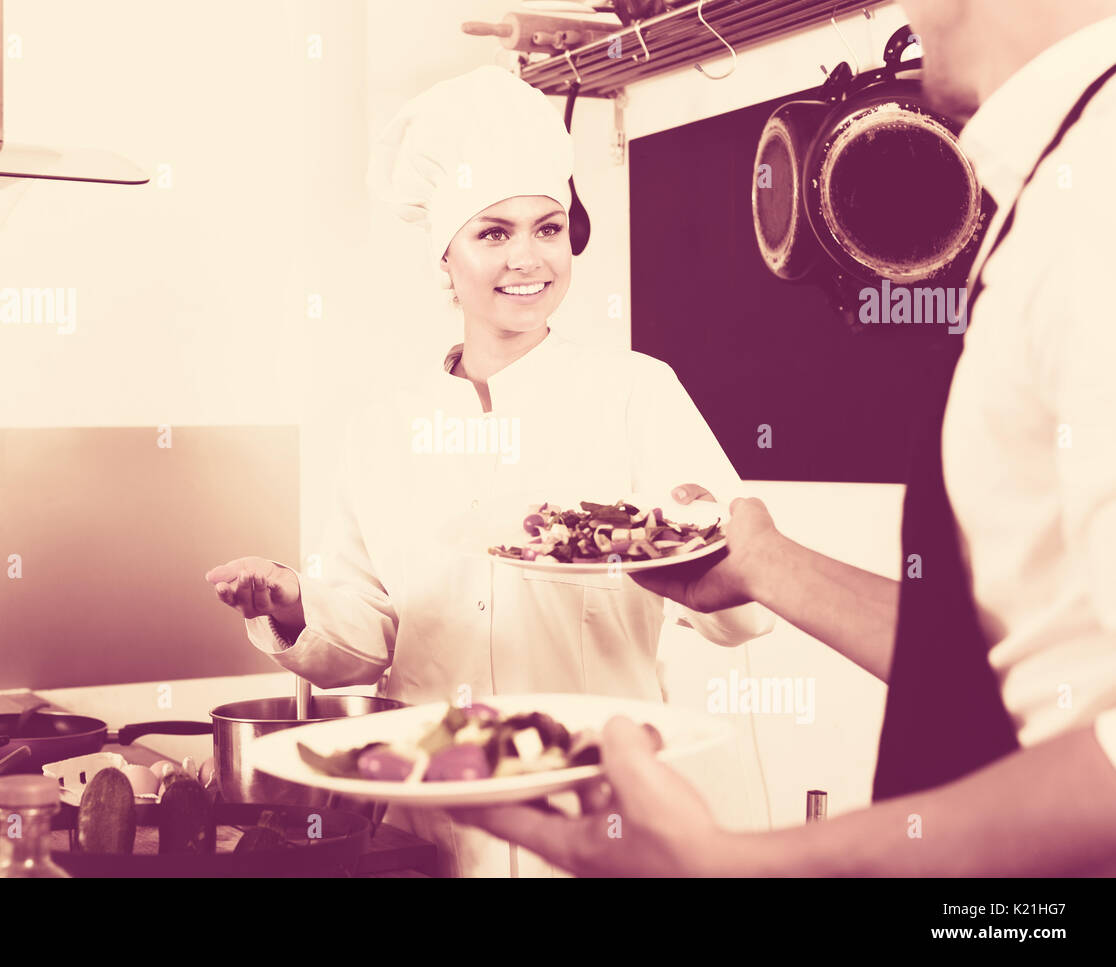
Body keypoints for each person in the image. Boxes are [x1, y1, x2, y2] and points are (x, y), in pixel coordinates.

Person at [452, 0, 1116, 875]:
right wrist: (766, 561)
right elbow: (1014, 663)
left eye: (541, 228)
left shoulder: (1095, 205)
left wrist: (740, 866)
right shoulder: (1052, 190)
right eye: (492, 232)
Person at [205, 65, 773, 877]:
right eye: (493, 232)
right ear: (446, 255)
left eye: (548, 228)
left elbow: (742, 609)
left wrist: (708, 557)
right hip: (433, 824)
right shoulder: (383, 431)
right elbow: (364, 641)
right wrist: (294, 602)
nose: (528, 259)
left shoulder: (636, 392)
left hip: (599, 805)